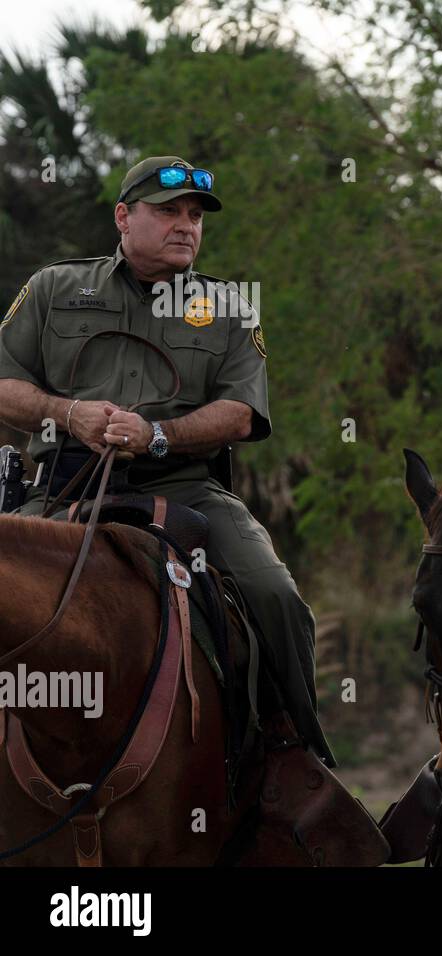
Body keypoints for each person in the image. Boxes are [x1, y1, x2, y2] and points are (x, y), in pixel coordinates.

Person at [0, 155, 334, 767]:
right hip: (61, 488)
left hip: (185, 488)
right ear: (124, 218)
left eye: (194, 216)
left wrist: (157, 434)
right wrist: (69, 414)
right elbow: (3, 384)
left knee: (276, 596)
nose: (186, 226)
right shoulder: (53, 287)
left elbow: (239, 412)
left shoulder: (230, 306)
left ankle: (298, 763)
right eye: (167, 211)